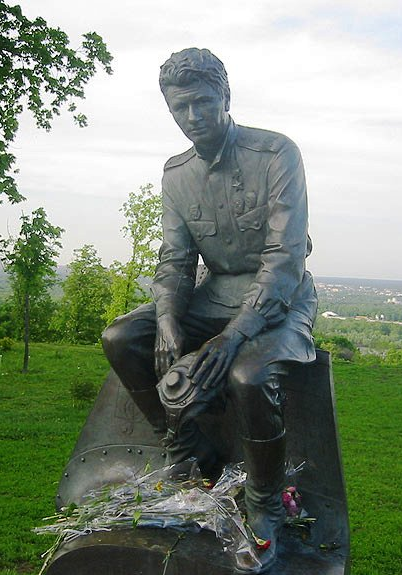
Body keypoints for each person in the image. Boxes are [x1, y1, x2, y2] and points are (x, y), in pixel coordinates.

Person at [101, 47, 317, 573]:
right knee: (120, 337)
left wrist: (234, 336)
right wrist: (170, 319)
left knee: (247, 374)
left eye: (202, 103)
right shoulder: (176, 175)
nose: (193, 118)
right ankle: (187, 451)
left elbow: (284, 258)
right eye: (181, 109)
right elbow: (174, 260)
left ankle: (265, 503)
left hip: (280, 300)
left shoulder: (276, 155)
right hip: (211, 294)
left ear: (226, 98)